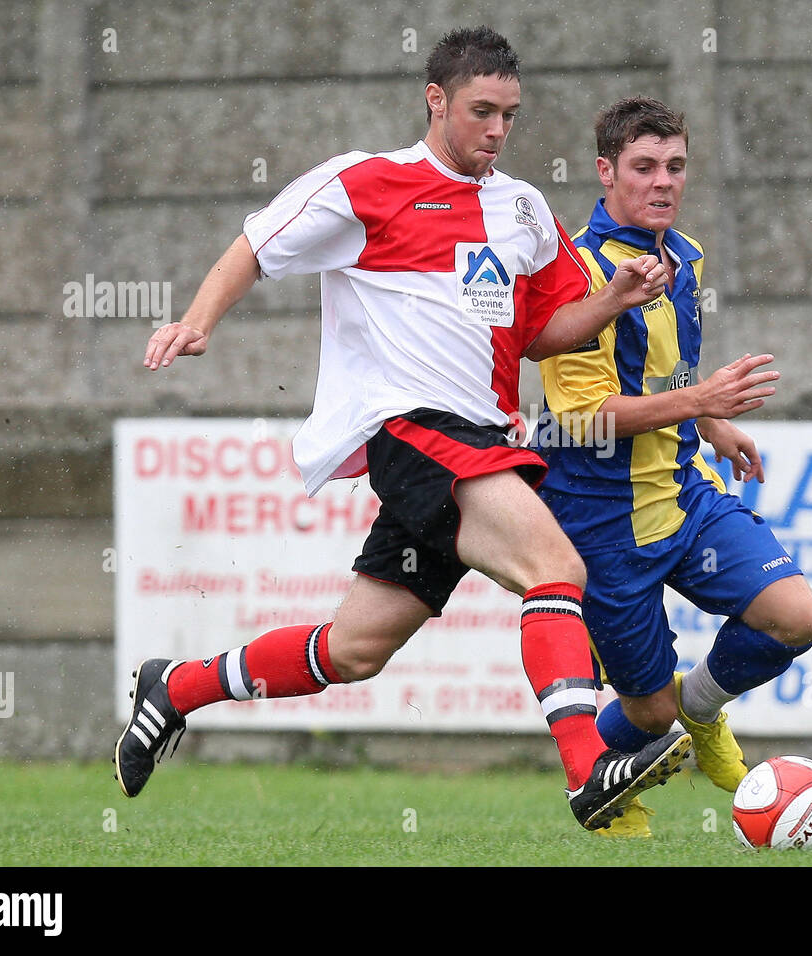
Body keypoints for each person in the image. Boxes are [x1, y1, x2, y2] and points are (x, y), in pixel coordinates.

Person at [116, 29, 692, 832]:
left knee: (352, 651)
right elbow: (255, 242)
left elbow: (543, 330)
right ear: (436, 101)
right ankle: (586, 773)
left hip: (480, 439)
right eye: (480, 112)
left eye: (510, 116)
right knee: (555, 567)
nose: (496, 131)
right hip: (413, 431)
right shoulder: (369, 183)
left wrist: (615, 298)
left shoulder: (521, 208)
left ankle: (174, 687)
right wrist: (198, 321)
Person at [535, 96, 812, 836]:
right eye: (642, 167)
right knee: (645, 709)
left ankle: (700, 712)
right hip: (601, 520)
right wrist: (701, 397)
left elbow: (658, 377)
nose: (662, 182)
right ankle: (598, 793)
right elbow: (582, 414)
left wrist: (710, 420)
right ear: (604, 171)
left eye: (675, 166)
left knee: (796, 617)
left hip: (682, 492)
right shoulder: (576, 273)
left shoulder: (682, 256)